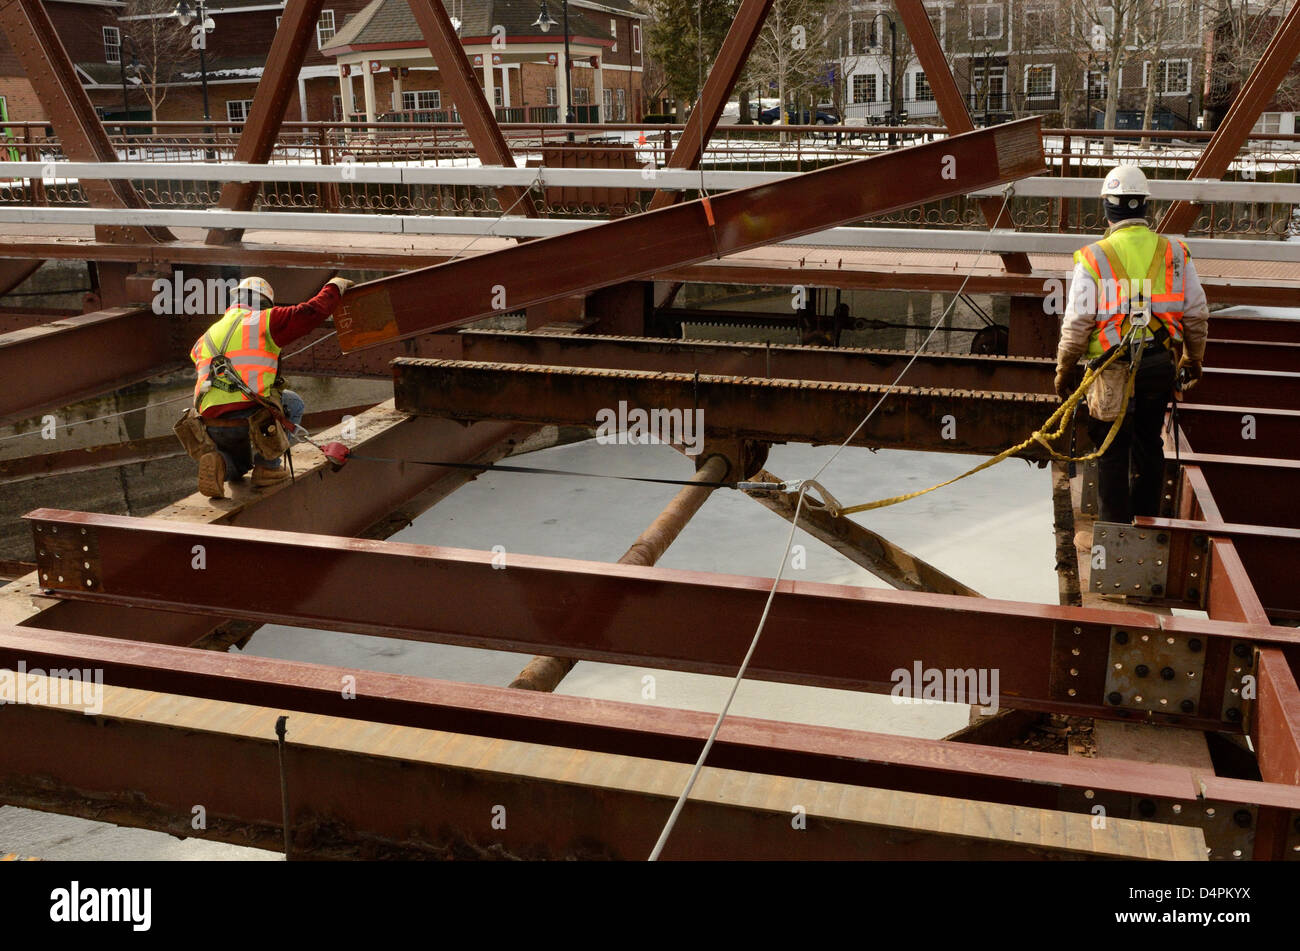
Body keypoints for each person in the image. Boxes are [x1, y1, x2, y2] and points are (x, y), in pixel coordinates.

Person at [1054, 166, 1209, 524]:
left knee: (1110, 451)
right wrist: (1193, 357)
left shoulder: (1094, 257)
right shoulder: (1175, 252)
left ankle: (1113, 530)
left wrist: (1064, 370)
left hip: (1110, 370)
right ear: (1145, 208)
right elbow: (1197, 314)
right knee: (1149, 444)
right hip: (1157, 365)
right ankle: (1146, 525)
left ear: (1108, 208)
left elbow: (1077, 323)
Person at [189, 275, 353, 499]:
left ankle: (221, 464)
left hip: (209, 421)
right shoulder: (264, 320)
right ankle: (269, 467)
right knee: (293, 402)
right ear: (263, 303)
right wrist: (335, 286)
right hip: (249, 416)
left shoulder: (205, 336)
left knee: (238, 467)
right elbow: (311, 312)